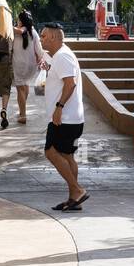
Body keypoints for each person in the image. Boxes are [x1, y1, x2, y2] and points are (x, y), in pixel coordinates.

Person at [39, 22, 88, 212]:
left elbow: (70, 84)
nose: (41, 39)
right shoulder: (60, 56)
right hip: (71, 117)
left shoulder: (63, 56)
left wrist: (59, 107)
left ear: (53, 37)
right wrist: (47, 66)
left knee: (51, 152)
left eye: (43, 36)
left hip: (64, 118)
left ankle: (77, 190)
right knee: (67, 156)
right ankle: (73, 198)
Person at [9, 9, 48, 125]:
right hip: (31, 66)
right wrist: (41, 59)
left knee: (20, 88)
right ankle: (22, 109)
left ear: (20, 20)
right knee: (25, 85)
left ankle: (23, 115)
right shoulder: (34, 32)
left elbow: (10, 48)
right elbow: (39, 50)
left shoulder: (15, 33)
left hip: (19, 64)